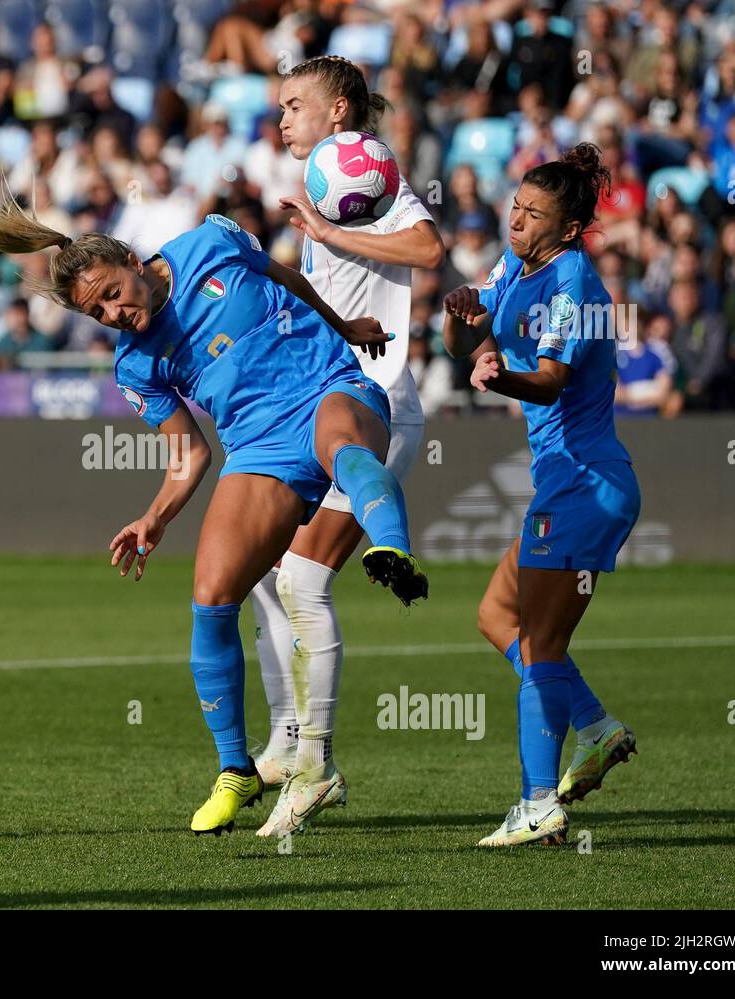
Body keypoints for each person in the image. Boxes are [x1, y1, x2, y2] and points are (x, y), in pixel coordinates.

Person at [0, 181, 428, 837]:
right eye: (99, 314)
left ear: (131, 259)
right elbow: (190, 454)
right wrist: (155, 517)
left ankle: (392, 548)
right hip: (259, 447)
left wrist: (341, 325)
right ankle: (235, 769)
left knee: (343, 442)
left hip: (329, 386)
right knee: (211, 596)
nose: (115, 314)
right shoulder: (136, 364)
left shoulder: (211, 240)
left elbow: (282, 273)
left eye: (113, 295)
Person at [244, 55, 444, 837]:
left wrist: (325, 231)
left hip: (379, 409)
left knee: (300, 579)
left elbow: (428, 251)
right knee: (262, 569)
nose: (283, 118)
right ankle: (287, 739)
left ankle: (316, 763)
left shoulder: (374, 175)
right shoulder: (336, 178)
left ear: (338, 114)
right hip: (330, 404)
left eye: (294, 104)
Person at [441, 143, 639, 848]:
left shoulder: (576, 285)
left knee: (544, 645)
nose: (516, 220)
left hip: (586, 483)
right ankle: (594, 727)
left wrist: (500, 378)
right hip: (565, 482)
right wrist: (459, 310)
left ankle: (537, 802)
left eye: (533, 215)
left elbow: (551, 379)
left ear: (567, 230)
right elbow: (465, 339)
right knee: (499, 616)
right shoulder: (514, 265)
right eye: (516, 207)